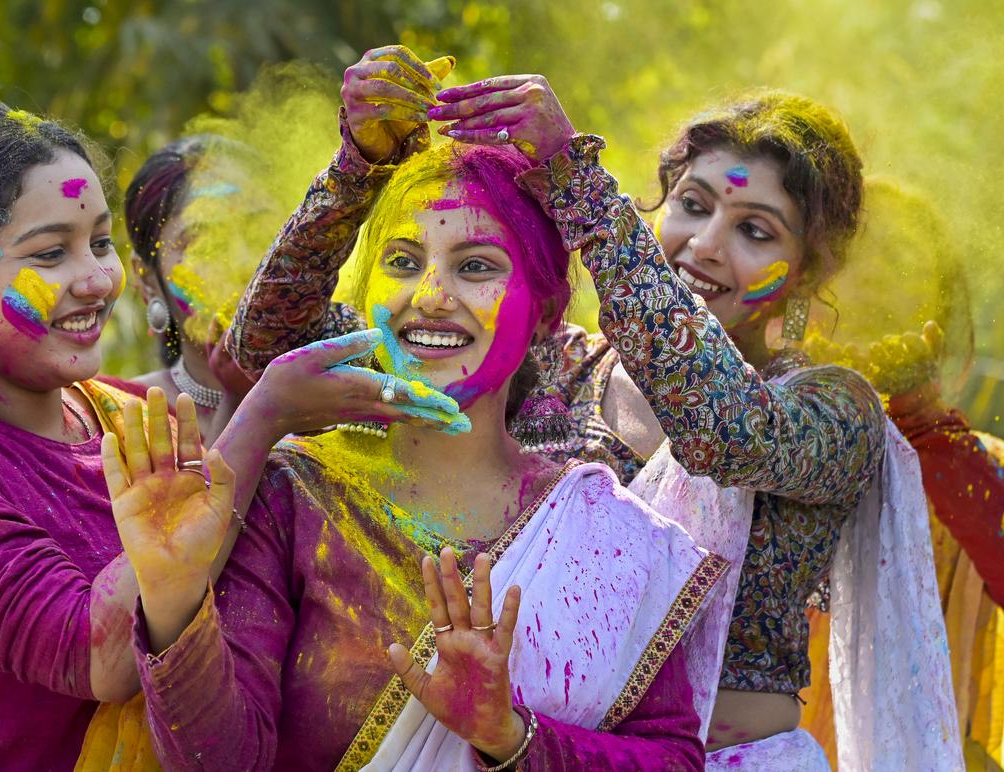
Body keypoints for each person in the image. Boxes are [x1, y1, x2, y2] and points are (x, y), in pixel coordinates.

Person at [224, 47, 958, 768]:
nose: (703, 245)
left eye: (754, 230)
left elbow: (718, 431)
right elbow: (271, 348)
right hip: (531, 751)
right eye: (692, 206)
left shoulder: (831, 412)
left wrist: (576, 178)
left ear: (810, 271)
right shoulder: (557, 366)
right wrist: (360, 165)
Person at [104, 50, 742, 772]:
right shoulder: (297, 496)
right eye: (404, 262)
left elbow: (672, 761)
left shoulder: (607, 537)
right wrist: (173, 598)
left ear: (544, 312)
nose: (430, 295)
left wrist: (509, 737)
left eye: (475, 266)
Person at [0, 94, 457, 770]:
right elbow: (96, 656)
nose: (97, 279)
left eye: (99, 243)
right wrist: (263, 417)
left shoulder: (127, 416)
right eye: (49, 254)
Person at [799, 179, 1004, 769]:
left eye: (895, 274)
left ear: (933, 312)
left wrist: (926, 431)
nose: (865, 298)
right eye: (845, 271)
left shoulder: (969, 464)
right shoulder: (735, 438)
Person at [110, 135, 264, 438]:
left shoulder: (359, 390)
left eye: (258, 228)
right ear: (146, 277)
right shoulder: (123, 420)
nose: (244, 261)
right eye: (201, 240)